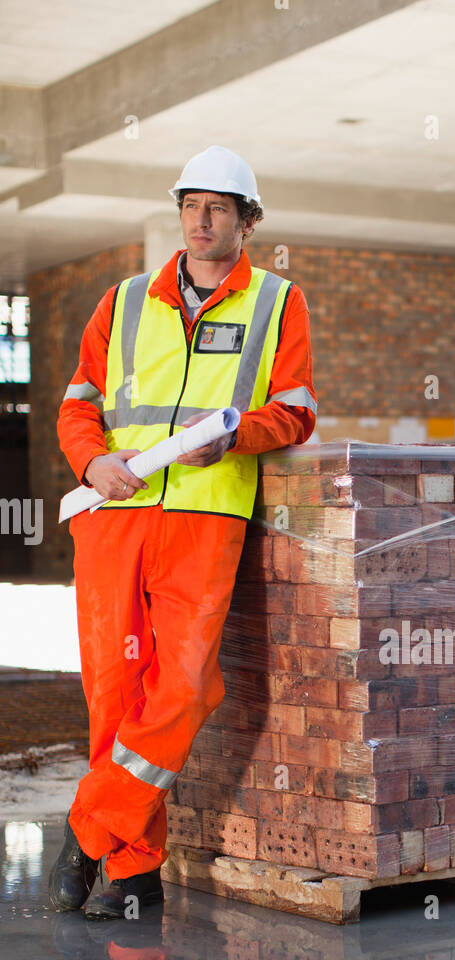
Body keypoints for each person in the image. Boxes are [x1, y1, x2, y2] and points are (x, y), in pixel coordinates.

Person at [50, 145, 316, 920]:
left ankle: (87, 829)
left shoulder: (277, 302)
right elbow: (78, 405)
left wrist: (235, 437)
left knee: (189, 684)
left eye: (219, 209)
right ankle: (135, 877)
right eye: (191, 206)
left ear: (248, 221)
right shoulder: (124, 300)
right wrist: (93, 463)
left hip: (205, 516)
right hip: (114, 516)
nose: (201, 222)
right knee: (115, 696)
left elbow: (296, 411)